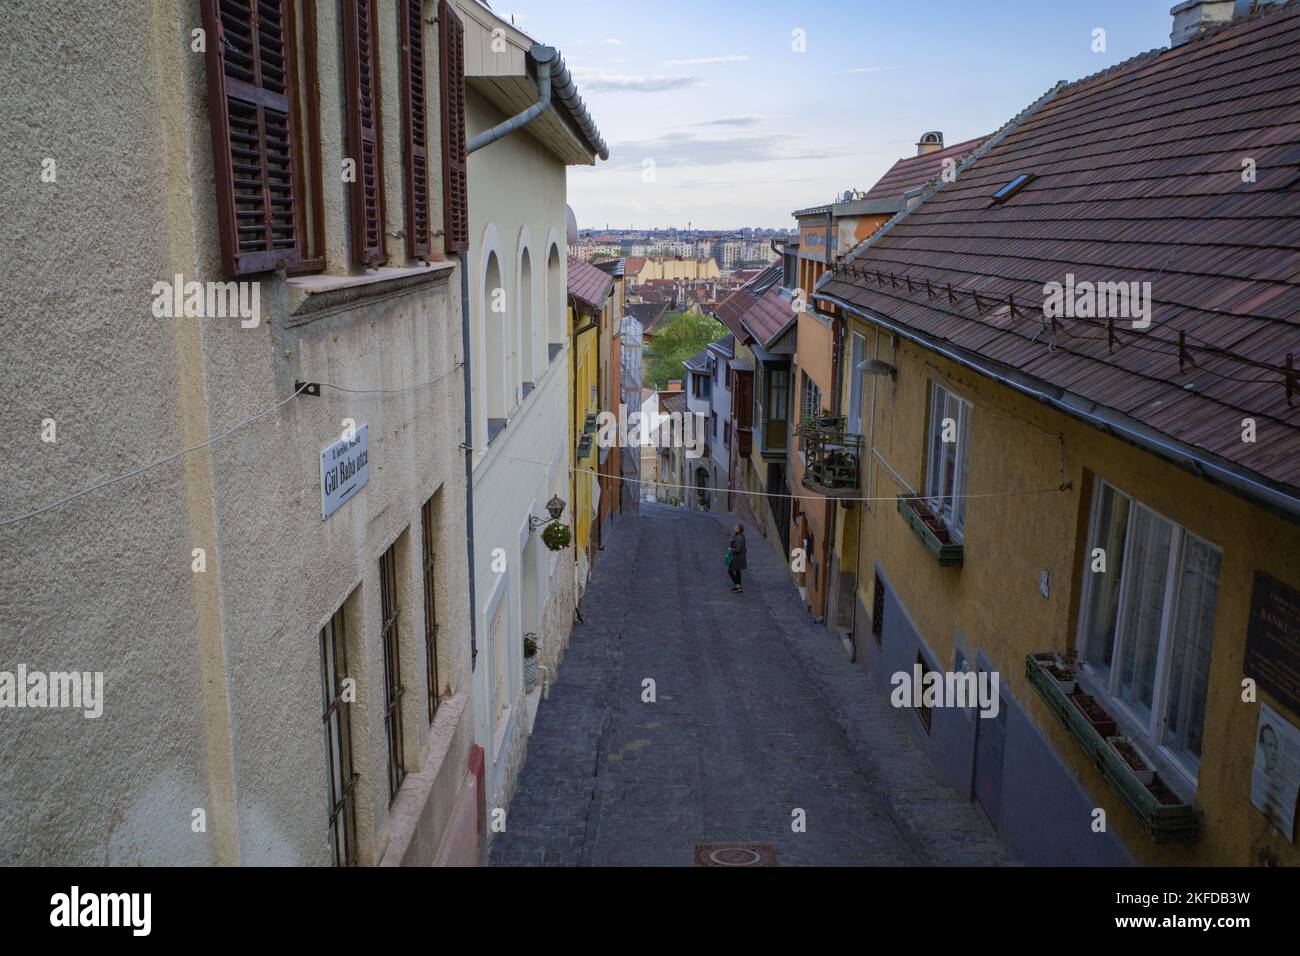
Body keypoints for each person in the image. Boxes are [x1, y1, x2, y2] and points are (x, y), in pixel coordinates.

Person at [727, 523, 747, 592]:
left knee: (730, 570)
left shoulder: (739, 537)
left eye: (736, 527)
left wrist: (731, 549)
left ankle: (738, 586)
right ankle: (738, 586)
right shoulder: (739, 535)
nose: (734, 528)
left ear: (739, 529)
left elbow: (738, 549)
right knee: (737, 571)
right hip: (738, 557)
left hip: (737, 558)